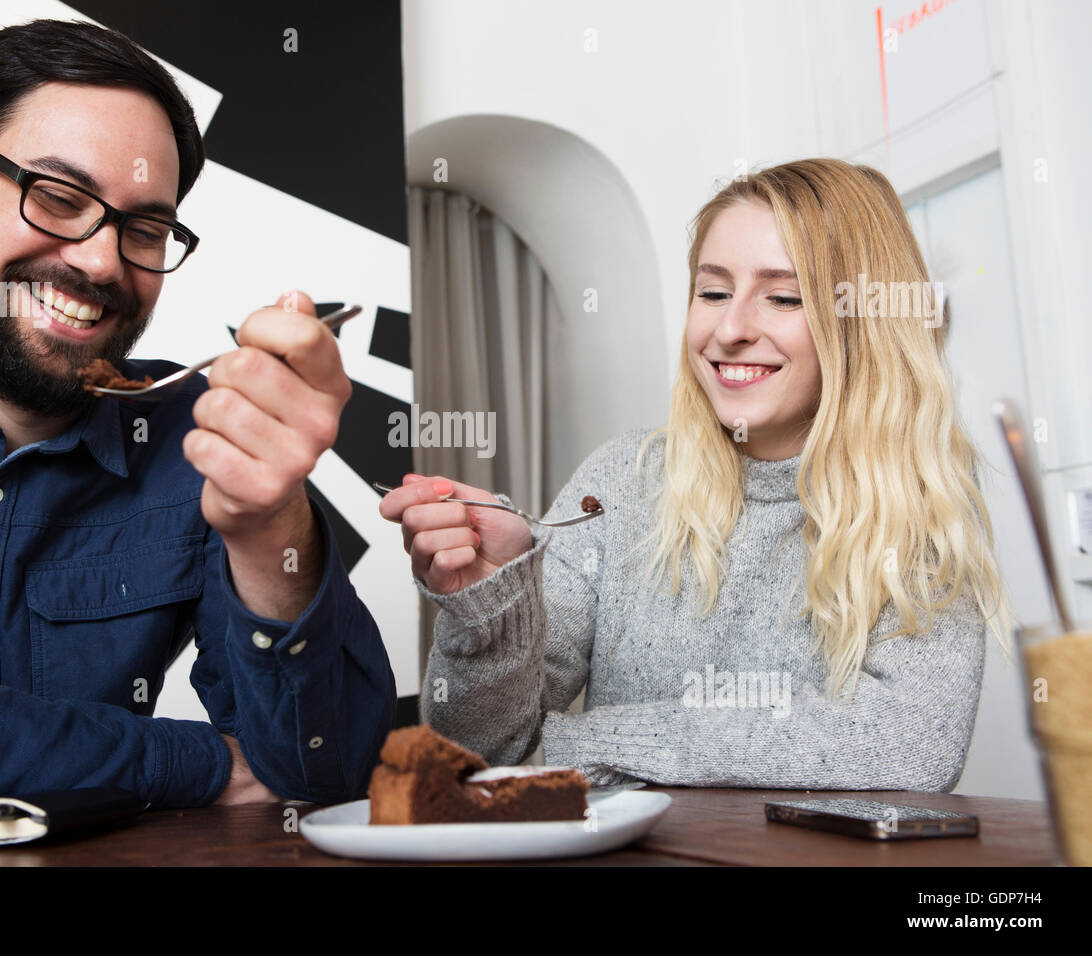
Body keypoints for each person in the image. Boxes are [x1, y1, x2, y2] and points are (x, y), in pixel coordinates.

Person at [0, 19, 395, 833]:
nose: (102, 262)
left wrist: (267, 524)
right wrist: (206, 761)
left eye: (144, 228)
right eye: (58, 198)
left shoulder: (195, 433)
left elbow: (324, 772)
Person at [381, 158, 1015, 791]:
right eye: (712, 292)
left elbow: (909, 750)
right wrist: (492, 605)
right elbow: (477, 757)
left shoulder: (922, 497)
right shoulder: (620, 481)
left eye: (784, 297)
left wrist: (572, 744)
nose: (730, 328)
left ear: (861, 324)